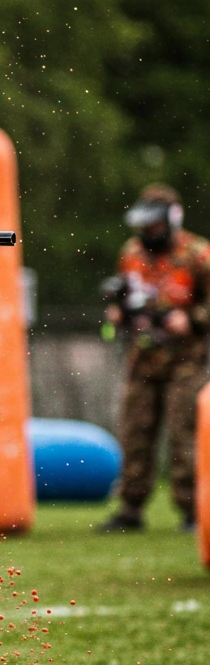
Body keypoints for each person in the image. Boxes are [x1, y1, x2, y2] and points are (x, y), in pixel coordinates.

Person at [101, 184, 210, 532]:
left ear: (172, 221)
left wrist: (190, 319)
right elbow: (126, 295)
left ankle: (194, 513)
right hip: (142, 359)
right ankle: (130, 509)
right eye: (143, 227)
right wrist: (117, 313)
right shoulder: (131, 253)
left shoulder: (198, 255)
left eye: (154, 227)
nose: (148, 234)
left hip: (186, 362)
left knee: (185, 437)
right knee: (135, 433)